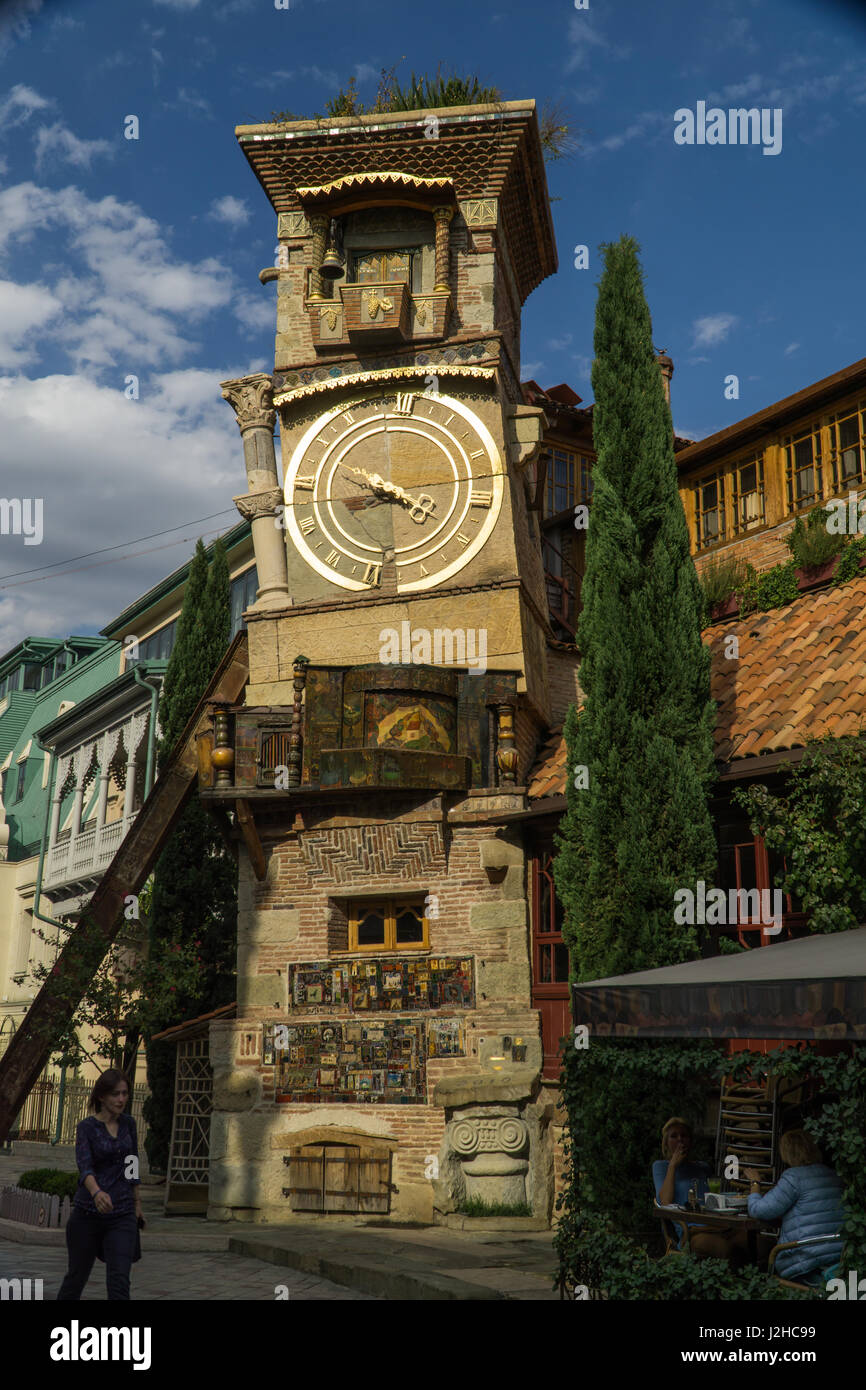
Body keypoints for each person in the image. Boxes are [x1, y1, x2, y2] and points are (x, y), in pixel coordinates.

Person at [57, 1068, 144, 1301]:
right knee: (76, 1278)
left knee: (119, 1282)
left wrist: (137, 1202)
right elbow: (84, 1166)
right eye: (116, 1094)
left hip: (122, 1213)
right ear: (101, 1097)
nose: (121, 1099)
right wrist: (96, 1193)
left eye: (125, 1093)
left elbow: (132, 1162)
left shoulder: (129, 1125)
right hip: (88, 1213)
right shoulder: (86, 1127)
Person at [744, 1130, 844, 1285]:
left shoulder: (794, 1177)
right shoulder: (833, 1175)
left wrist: (755, 1184)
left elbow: (759, 1210)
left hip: (805, 1262)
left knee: (764, 1260)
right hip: (837, 1258)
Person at [652, 1116, 747, 1264]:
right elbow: (664, 1201)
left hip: (720, 1226)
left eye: (684, 1136)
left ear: (690, 1141)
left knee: (760, 1243)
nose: (680, 1140)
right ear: (666, 1142)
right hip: (692, 1232)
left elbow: (715, 1198)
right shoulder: (661, 1167)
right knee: (728, 1250)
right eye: (674, 1136)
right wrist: (672, 1166)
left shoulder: (702, 1167)